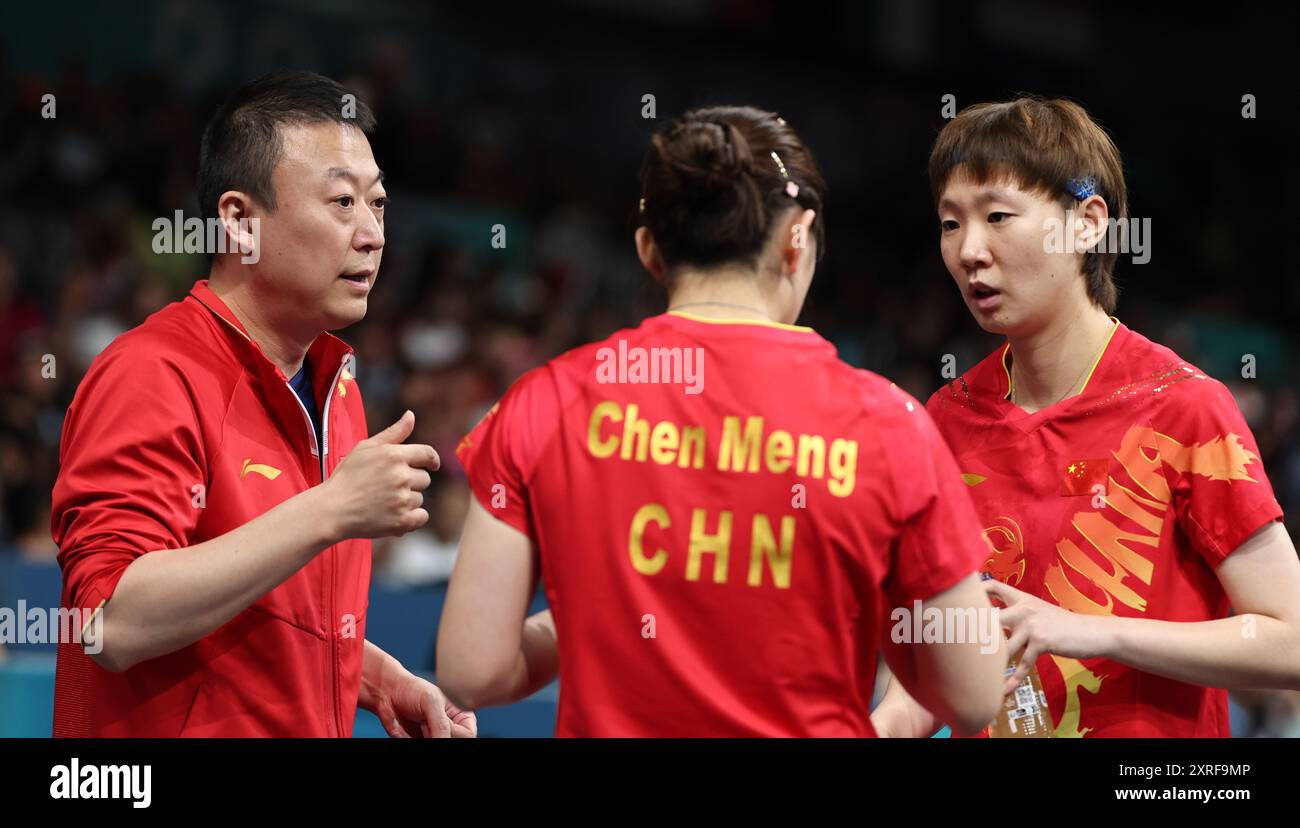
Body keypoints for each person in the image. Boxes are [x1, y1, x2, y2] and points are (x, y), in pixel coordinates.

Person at [437, 105, 1005, 736]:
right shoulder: (891, 423)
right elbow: (974, 695)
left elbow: (472, 671)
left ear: (650, 250)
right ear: (798, 239)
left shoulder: (544, 400)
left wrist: (591, 615)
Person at [50, 70, 474, 738]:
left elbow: (256, 610)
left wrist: (368, 676)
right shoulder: (151, 373)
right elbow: (110, 622)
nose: (372, 234)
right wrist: (331, 509)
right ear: (240, 223)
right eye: (341, 202)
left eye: (379, 204)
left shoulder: (340, 391)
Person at [871, 96, 1300, 738]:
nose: (969, 251)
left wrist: (1090, 631)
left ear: (1087, 223)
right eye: (950, 223)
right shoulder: (944, 419)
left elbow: (1291, 640)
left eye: (997, 216)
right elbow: (924, 668)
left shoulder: (1184, 409)